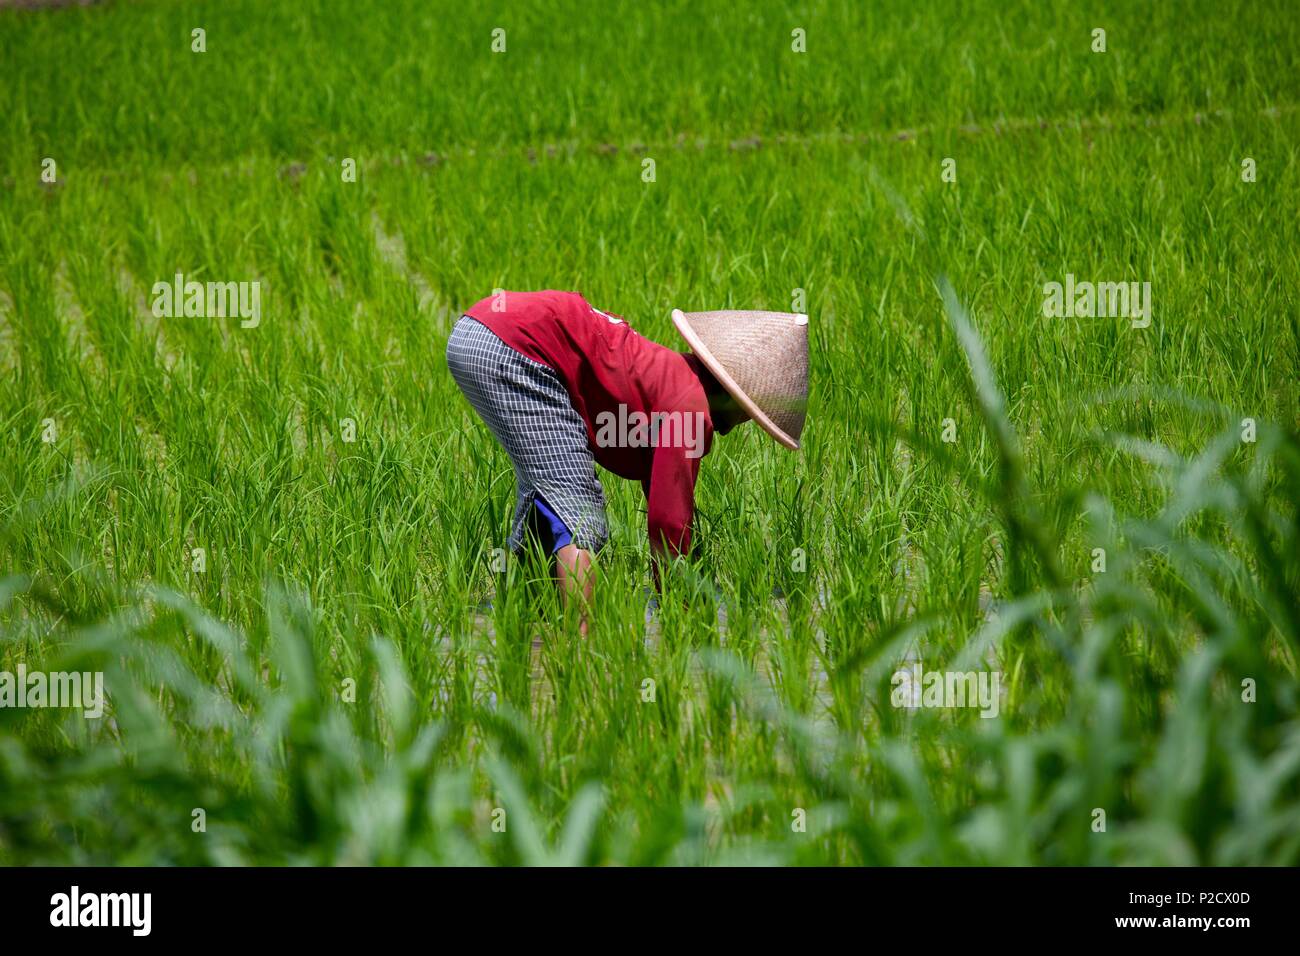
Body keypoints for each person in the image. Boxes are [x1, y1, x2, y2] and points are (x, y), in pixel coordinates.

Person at [446, 290, 808, 632]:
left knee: (548, 491)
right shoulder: (690, 409)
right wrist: (679, 612)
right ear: (732, 395)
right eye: (749, 413)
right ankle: (581, 643)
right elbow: (669, 522)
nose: (743, 423)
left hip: (480, 330)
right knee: (578, 508)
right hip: (511, 347)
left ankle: (530, 617)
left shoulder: (668, 377)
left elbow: (664, 496)